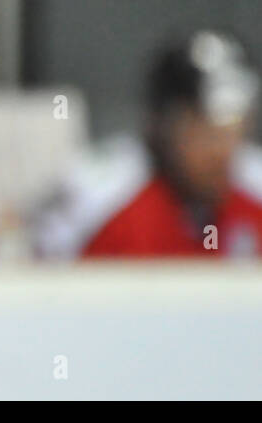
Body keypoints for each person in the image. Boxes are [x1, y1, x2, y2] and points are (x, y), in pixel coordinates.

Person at [34, 30, 262, 259]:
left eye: (234, 132)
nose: (221, 152)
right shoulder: (103, 197)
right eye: (203, 130)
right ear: (162, 125)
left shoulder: (252, 185)